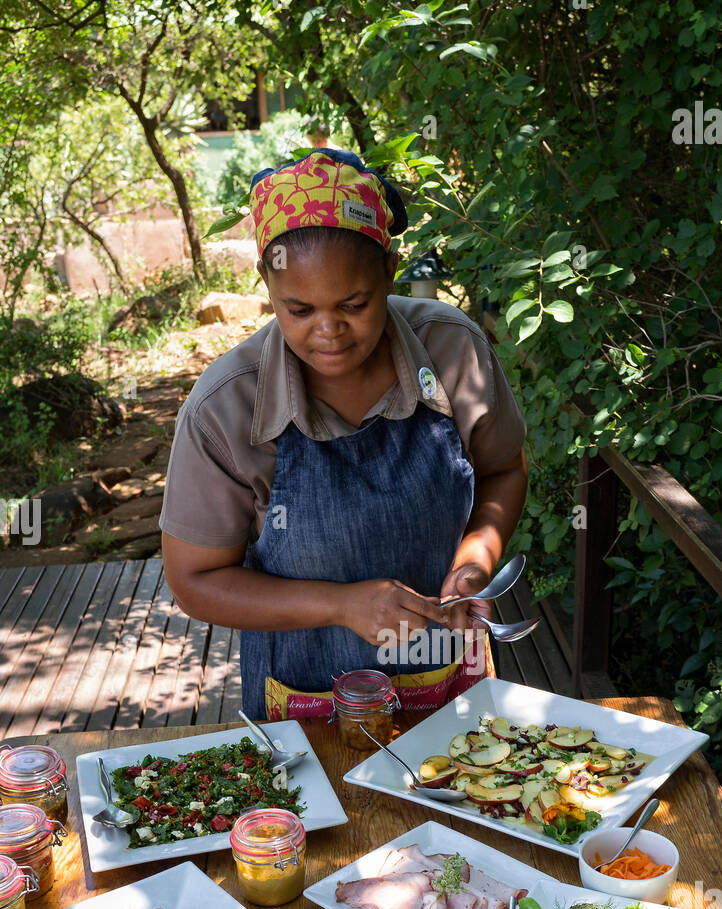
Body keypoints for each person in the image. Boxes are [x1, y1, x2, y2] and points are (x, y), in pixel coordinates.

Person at [160, 149, 527, 721]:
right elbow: (195, 580)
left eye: (353, 304)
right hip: (307, 709)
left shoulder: (451, 350)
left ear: (390, 270)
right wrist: (339, 604)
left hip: (453, 689)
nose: (328, 332)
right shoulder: (226, 407)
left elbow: (503, 468)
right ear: (267, 282)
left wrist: (476, 558)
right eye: (298, 308)